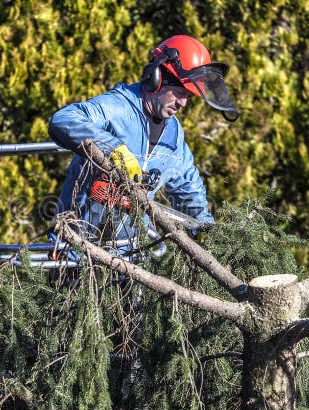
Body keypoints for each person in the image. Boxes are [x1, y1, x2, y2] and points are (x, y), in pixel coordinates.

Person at [48, 34, 238, 258]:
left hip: (131, 258)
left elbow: (187, 186)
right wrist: (112, 148)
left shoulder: (174, 134)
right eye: (179, 93)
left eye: (188, 96)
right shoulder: (116, 108)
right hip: (76, 251)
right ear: (157, 78)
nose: (183, 103)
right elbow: (63, 119)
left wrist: (205, 227)